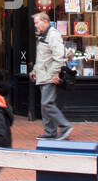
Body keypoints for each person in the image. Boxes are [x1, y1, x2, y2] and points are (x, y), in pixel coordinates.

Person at [30, 11, 72, 141]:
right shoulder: (44, 35)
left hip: (49, 75)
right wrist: (35, 70)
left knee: (47, 103)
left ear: (45, 21)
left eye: (37, 22)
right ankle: (50, 132)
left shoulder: (52, 35)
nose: (36, 25)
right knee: (45, 104)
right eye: (35, 23)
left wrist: (54, 73)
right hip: (43, 75)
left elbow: (58, 56)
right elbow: (43, 57)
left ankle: (65, 127)